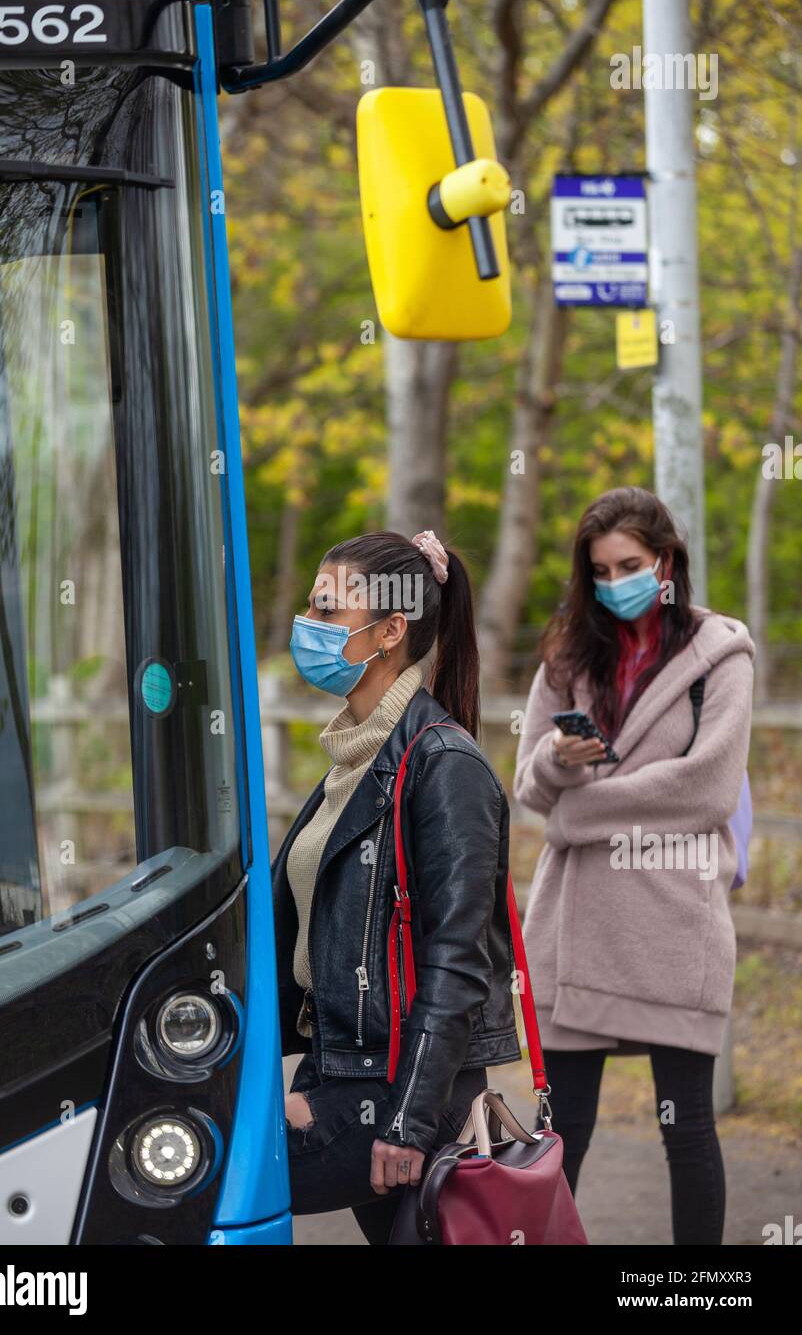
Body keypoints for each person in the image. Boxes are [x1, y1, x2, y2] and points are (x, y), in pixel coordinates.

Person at [513, 486, 755, 1246]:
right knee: (565, 1138)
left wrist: (579, 813)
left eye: (632, 565)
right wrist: (558, 758)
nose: (617, 581)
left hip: (675, 924)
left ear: (667, 562)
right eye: (602, 569)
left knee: (686, 1132)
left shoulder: (722, 652)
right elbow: (526, 785)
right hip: (576, 926)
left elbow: (706, 788)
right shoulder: (569, 655)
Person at [270, 529, 522, 1245]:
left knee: (192, 1169)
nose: (307, 628)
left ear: (388, 632)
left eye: (328, 611)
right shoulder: (353, 760)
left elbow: (457, 959)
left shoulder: (444, 764)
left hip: (404, 1087)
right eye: (309, 608)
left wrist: (409, 1120)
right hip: (340, 1068)